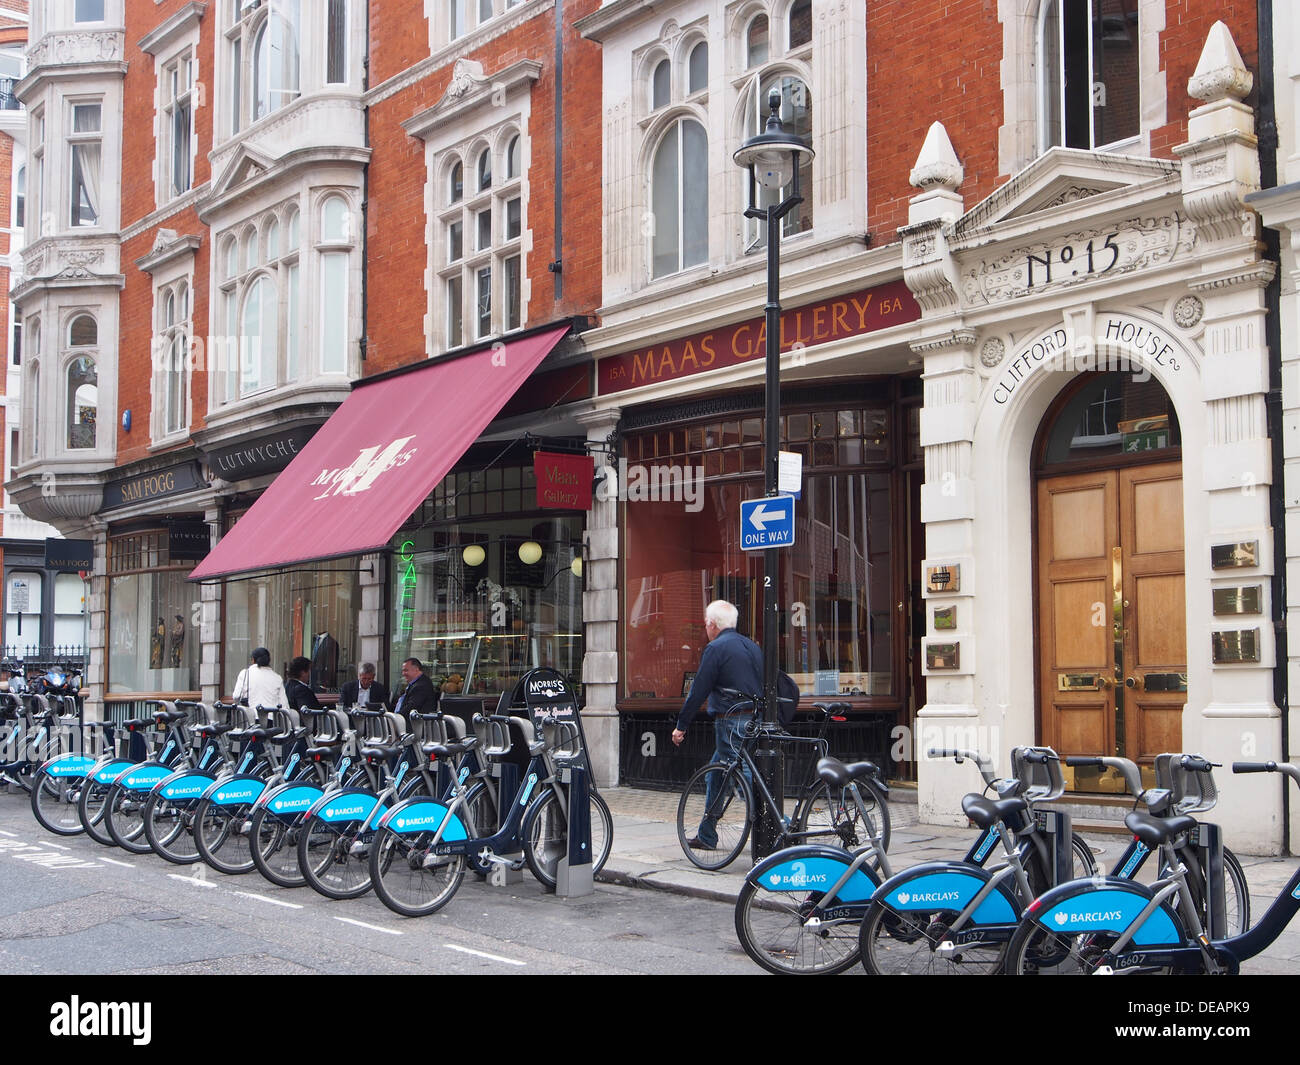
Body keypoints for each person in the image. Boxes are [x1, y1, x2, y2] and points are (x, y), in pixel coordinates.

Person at [671, 600, 764, 850]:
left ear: (712, 625)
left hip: (730, 722)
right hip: (753, 721)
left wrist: (682, 725)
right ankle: (707, 834)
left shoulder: (716, 648)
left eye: (706, 624)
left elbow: (698, 690)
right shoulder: (752, 647)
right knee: (715, 774)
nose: (706, 628)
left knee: (746, 780)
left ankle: (779, 826)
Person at [231, 647, 290, 712]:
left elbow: (236, 696)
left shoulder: (245, 673)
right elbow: (284, 704)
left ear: (253, 659)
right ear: (269, 660)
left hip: (250, 717)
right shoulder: (277, 678)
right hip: (271, 718)